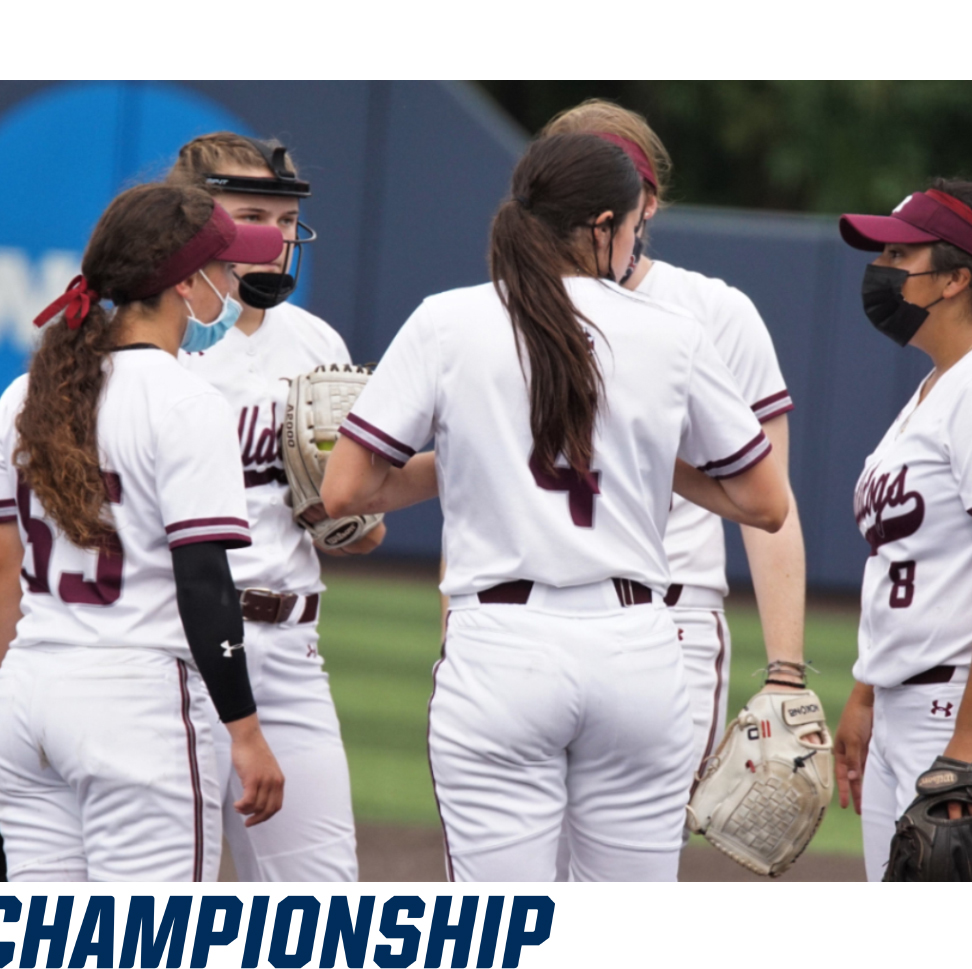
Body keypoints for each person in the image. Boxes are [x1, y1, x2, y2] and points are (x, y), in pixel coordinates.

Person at [322, 133, 791, 882]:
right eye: (632, 227)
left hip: (501, 649)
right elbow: (764, 503)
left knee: (503, 931)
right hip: (638, 647)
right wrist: (635, 458)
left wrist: (486, 454)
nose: (635, 243)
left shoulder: (447, 319)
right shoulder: (673, 333)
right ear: (603, 226)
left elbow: (344, 492)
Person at [0, 181, 288, 882]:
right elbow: (204, 582)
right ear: (185, 283)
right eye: (224, 267)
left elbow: (0, 568)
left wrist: (17, 703)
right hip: (133, 705)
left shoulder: (24, 395)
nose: (232, 284)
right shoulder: (186, 401)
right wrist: (245, 731)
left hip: (26, 693)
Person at [538, 100, 811, 825]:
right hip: (528, 612)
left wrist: (785, 672)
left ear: (648, 200)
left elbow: (771, 506)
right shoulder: (508, 309)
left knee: (633, 860)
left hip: (671, 614)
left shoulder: (712, 310)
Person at [831, 180, 972, 881]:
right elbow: (914, 563)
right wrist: (868, 691)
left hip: (966, 705)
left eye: (899, 255)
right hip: (909, 701)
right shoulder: (941, 384)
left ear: (956, 278)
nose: (881, 269)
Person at [166, 132, 372, 882]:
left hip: (289, 648)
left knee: (321, 902)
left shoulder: (315, 343)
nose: (277, 239)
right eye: (254, 216)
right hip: (170, 647)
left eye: (286, 221)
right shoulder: (157, 338)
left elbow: (351, 524)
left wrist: (345, 515)